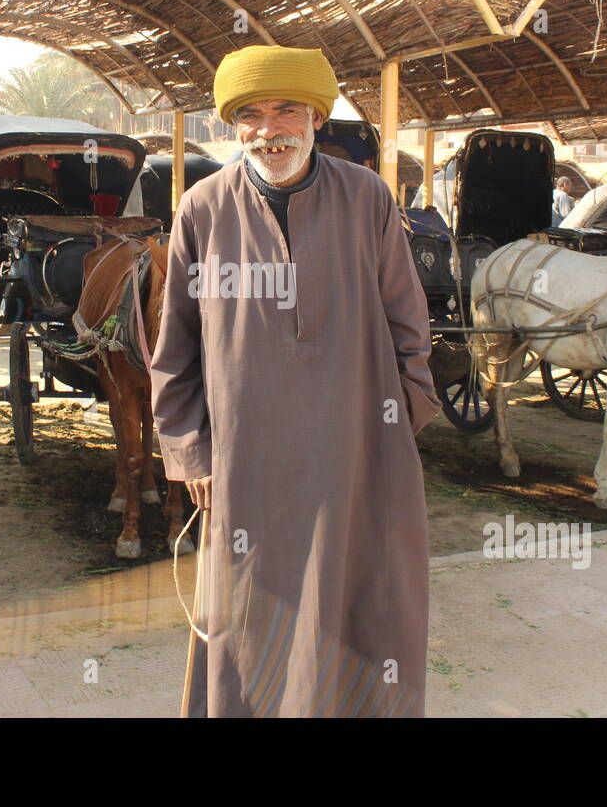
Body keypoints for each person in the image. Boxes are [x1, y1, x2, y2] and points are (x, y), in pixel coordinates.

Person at [151, 44, 441, 717]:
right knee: (253, 618)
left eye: (285, 109)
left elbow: (408, 319)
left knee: (364, 602)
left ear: (315, 115)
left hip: (356, 454)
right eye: (249, 114)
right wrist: (194, 452)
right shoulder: (202, 209)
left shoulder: (366, 196)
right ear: (231, 126)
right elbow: (177, 349)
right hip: (247, 462)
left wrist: (401, 420)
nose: (268, 128)